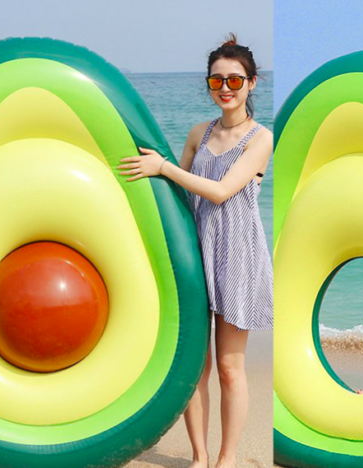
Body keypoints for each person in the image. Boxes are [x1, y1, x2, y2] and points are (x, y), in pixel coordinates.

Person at [118, 34, 273, 468]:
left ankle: (226, 459)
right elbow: (179, 199)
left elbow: (222, 191)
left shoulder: (262, 137)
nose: (226, 88)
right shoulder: (197, 133)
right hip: (195, 252)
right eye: (216, 80)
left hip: (237, 255)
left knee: (228, 367)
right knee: (194, 366)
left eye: (235, 80)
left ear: (252, 83)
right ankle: (200, 457)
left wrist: (163, 166)